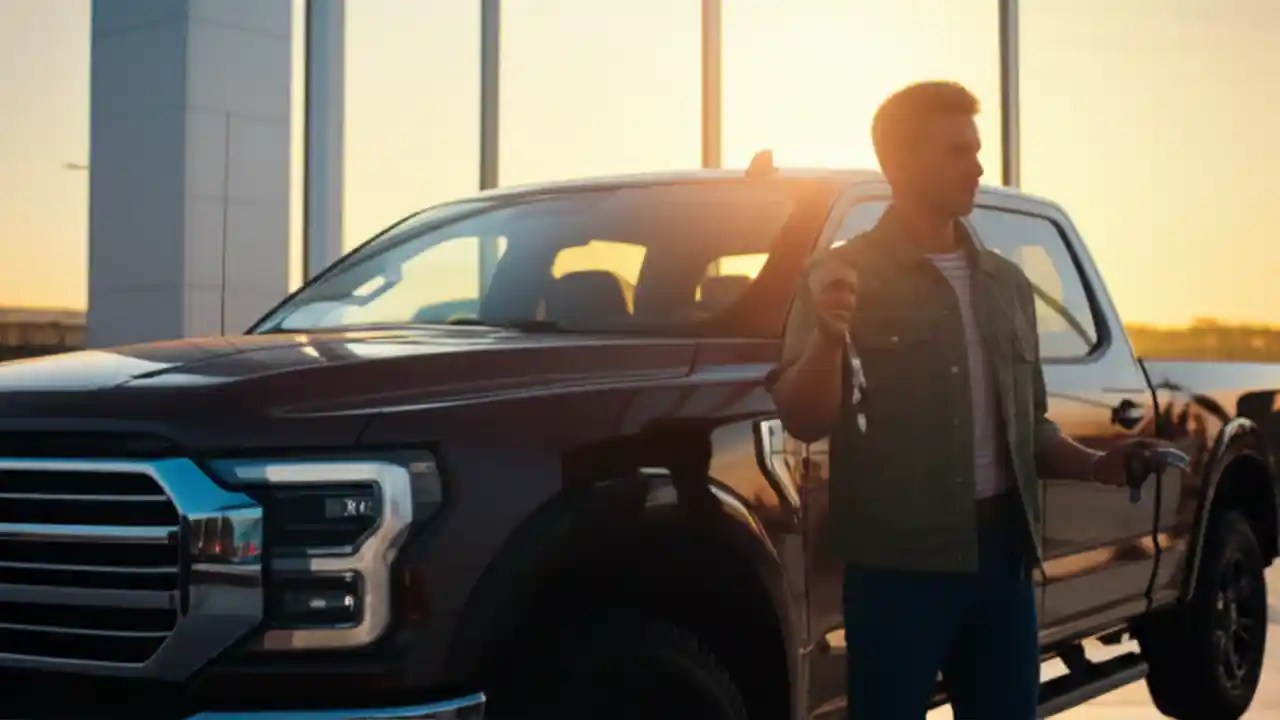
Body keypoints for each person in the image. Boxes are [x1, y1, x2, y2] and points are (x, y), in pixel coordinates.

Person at [766, 81, 1153, 718]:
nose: (977, 166)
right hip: (898, 570)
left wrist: (1097, 464)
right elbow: (805, 418)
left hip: (1002, 562)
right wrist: (830, 336)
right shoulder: (843, 276)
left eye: (976, 150)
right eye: (957, 152)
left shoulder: (1007, 283)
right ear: (899, 163)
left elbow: (1029, 429)